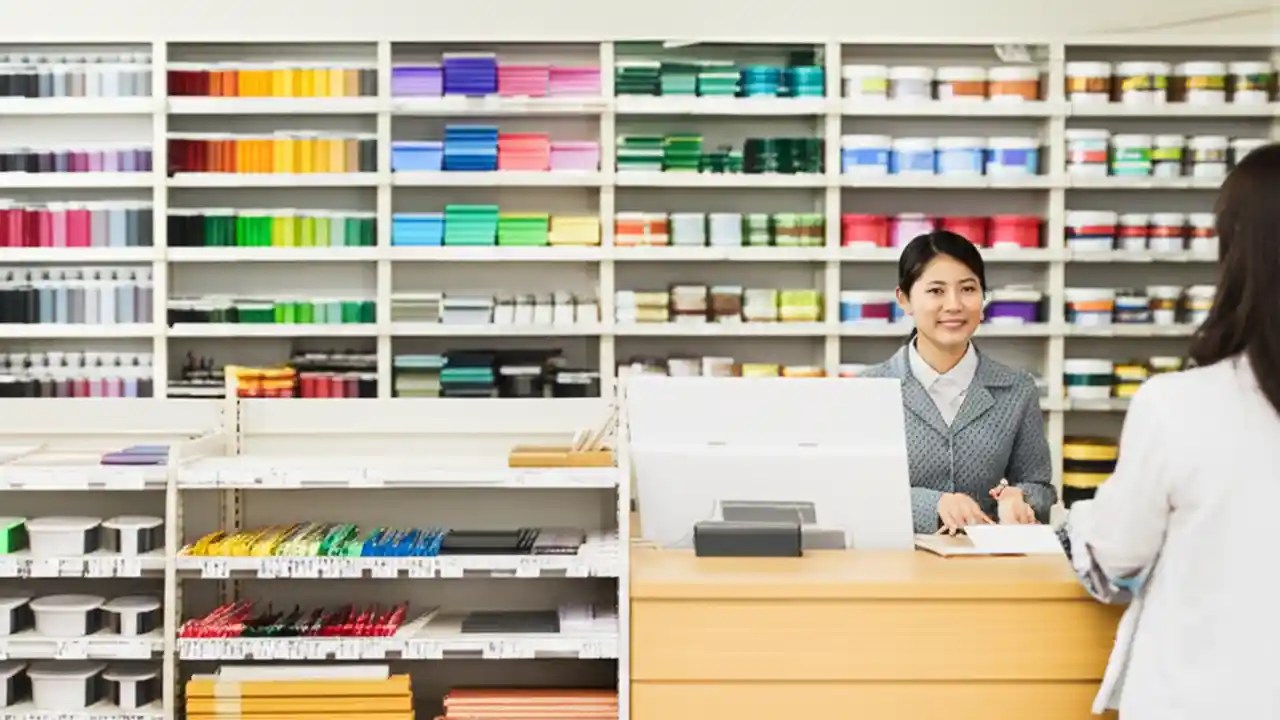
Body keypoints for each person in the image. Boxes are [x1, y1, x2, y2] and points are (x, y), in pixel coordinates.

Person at [1065, 143, 1280, 718]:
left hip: (1202, 698)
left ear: (1236, 255)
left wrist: (1078, 519)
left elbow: (1115, 560)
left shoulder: (1180, 405)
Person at [861, 231, 1055, 534]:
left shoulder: (1017, 389)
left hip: (986, 570)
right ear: (904, 299)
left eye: (967, 289)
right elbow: (860, 491)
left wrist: (1022, 497)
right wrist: (933, 504)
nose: (954, 305)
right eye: (936, 291)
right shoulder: (869, 389)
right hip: (896, 568)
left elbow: (1040, 485)